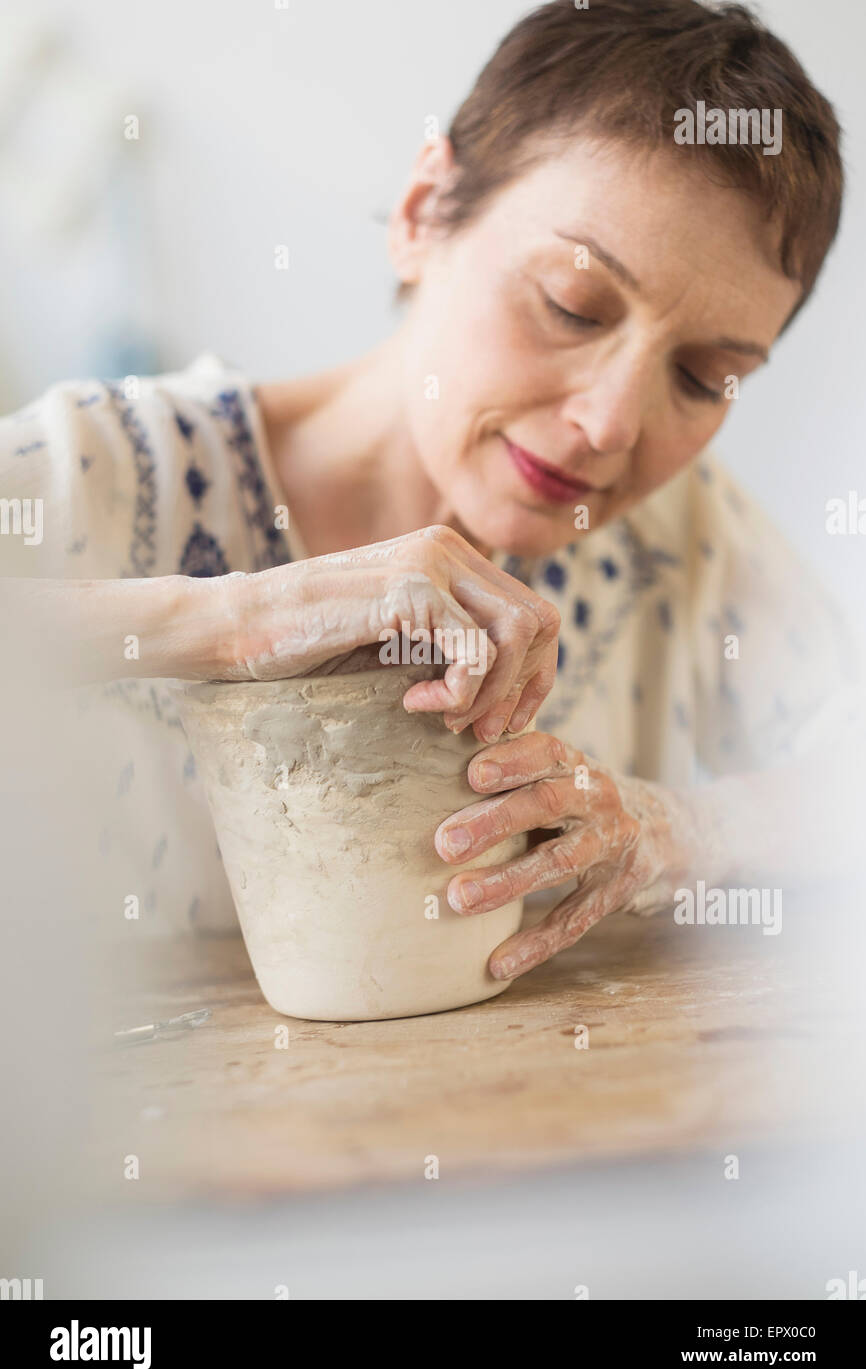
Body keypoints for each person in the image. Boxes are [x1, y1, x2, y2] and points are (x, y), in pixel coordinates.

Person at [1, 0, 860, 982]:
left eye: (704, 377)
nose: (611, 423)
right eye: (571, 305)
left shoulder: (675, 531)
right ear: (421, 213)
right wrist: (232, 620)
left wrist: (680, 829)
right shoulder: (99, 470)